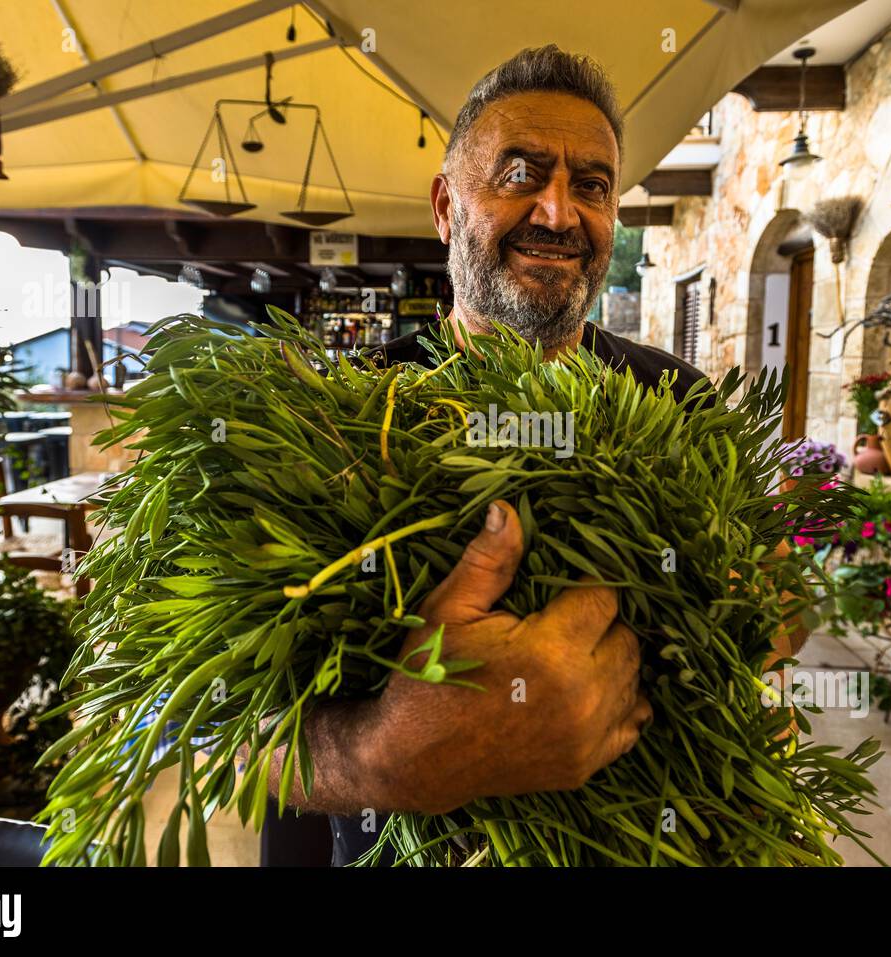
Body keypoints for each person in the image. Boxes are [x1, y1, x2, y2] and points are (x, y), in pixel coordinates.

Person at [260, 45, 799, 866]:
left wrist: (759, 629)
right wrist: (380, 755)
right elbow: (227, 728)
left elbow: (769, 622)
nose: (559, 212)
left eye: (590, 185)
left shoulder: (680, 403)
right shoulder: (333, 418)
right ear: (445, 206)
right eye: (520, 173)